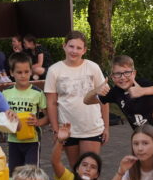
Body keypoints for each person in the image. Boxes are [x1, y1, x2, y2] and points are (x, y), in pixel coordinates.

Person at [45, 30, 109, 169]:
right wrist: (56, 130)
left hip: (91, 127)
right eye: (71, 46)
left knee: (91, 172)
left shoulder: (93, 67)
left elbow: (104, 98)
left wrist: (106, 127)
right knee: (76, 171)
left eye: (79, 48)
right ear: (64, 46)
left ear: (84, 50)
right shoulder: (54, 70)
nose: (74, 51)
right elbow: (51, 103)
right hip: (68, 130)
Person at [2, 51, 49, 172]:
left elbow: (49, 117)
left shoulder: (37, 93)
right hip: (13, 140)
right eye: (19, 72)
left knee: (32, 174)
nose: (23, 75)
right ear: (12, 73)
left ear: (31, 72)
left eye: (26, 72)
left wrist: (38, 122)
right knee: (14, 174)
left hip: (32, 141)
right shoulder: (5, 93)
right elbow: (1, 117)